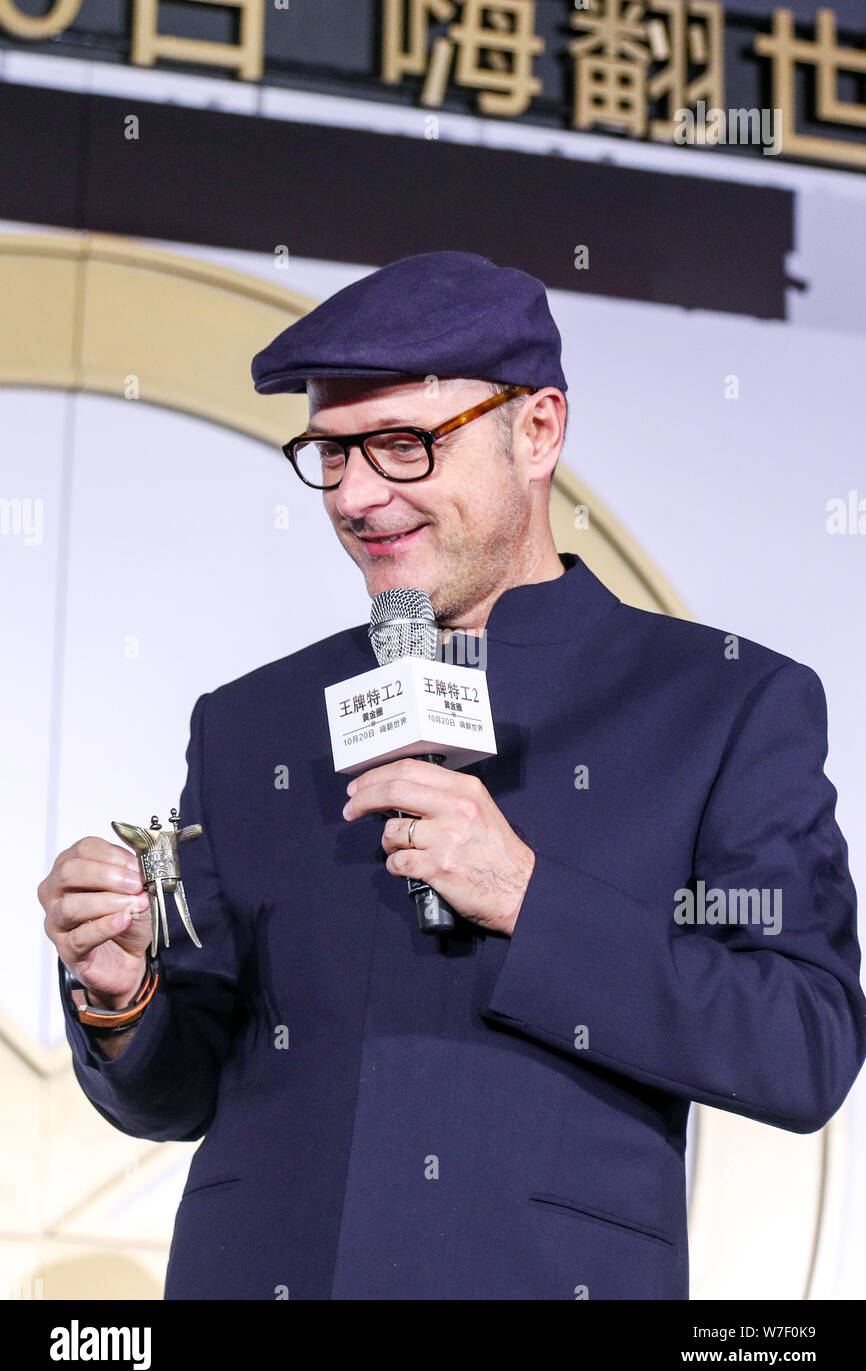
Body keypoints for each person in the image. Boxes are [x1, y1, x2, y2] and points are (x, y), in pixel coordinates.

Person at [38, 251, 866, 1300]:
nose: (358, 496)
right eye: (328, 453)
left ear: (537, 430)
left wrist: (530, 897)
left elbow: (801, 1047)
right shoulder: (250, 722)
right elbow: (177, 1089)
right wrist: (122, 999)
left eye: (403, 445)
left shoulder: (717, 704)